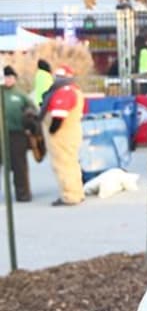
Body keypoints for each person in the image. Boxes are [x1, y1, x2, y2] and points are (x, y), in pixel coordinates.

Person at [41, 65, 85, 206]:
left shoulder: (64, 92)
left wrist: (53, 130)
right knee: (72, 163)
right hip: (72, 132)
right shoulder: (75, 90)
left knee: (62, 164)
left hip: (62, 135)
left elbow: (59, 115)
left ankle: (69, 195)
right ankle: (77, 192)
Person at [2, 65, 35, 202]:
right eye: (6, 77)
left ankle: (22, 193)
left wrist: (29, 120)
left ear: (15, 79)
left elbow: (32, 110)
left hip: (17, 134)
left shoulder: (20, 94)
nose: (8, 80)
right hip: (1, 134)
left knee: (19, 165)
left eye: (10, 77)